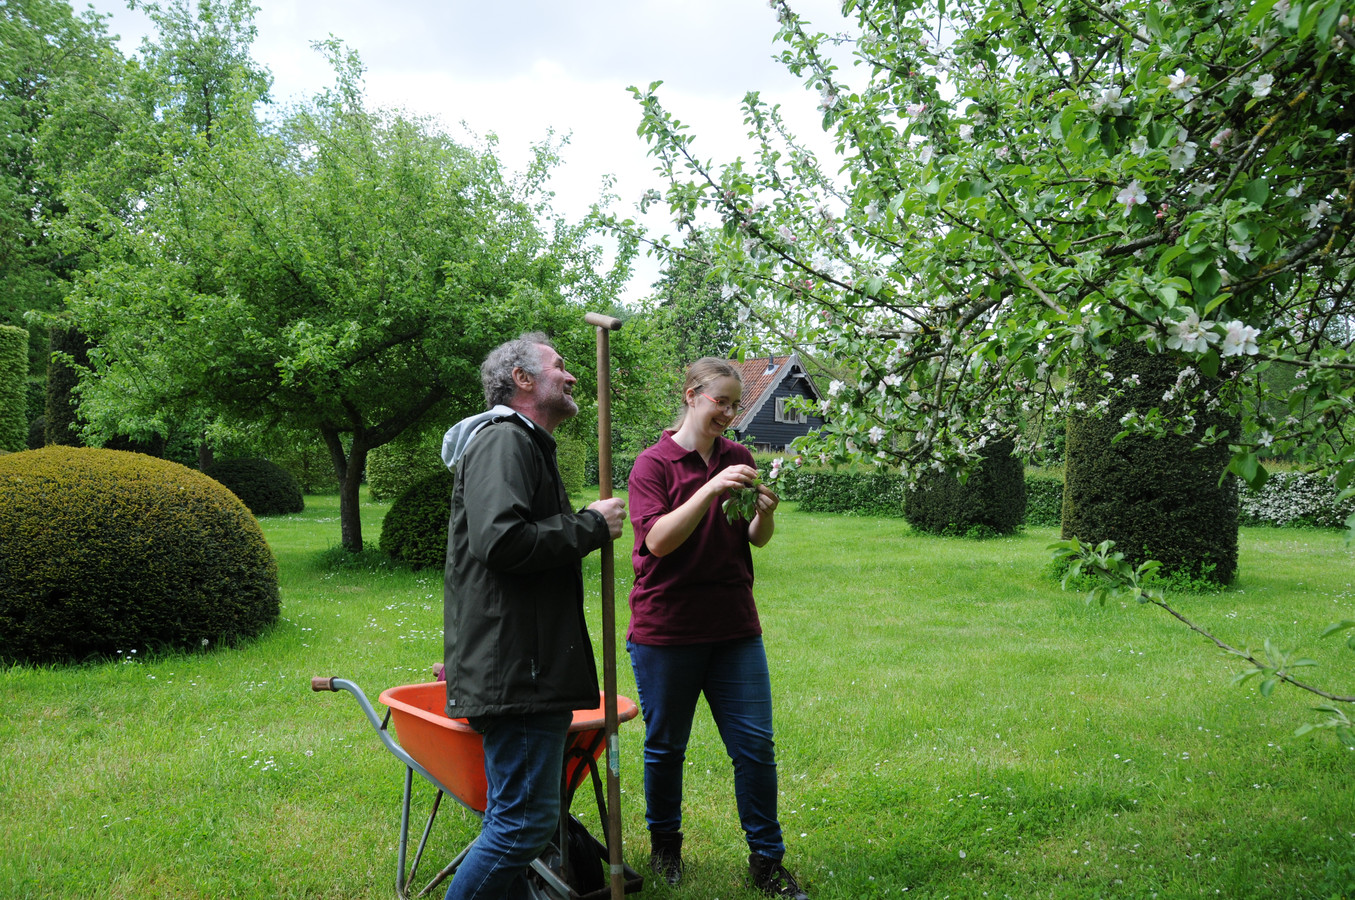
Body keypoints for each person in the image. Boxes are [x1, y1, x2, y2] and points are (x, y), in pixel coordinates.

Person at [440, 333, 625, 900]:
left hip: (525, 664)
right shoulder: (503, 442)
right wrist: (590, 525)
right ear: (522, 379)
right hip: (518, 671)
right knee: (520, 827)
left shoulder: (522, 446)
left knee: (520, 822)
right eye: (559, 367)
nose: (571, 378)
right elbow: (502, 541)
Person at [625, 357, 809, 900]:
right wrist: (707, 490)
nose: (729, 413)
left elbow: (752, 538)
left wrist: (766, 514)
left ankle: (767, 862)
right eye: (720, 402)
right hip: (667, 629)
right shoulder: (652, 465)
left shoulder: (739, 457)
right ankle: (666, 848)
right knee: (666, 747)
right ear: (691, 396)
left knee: (755, 747)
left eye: (736, 404)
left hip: (734, 628)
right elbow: (657, 541)